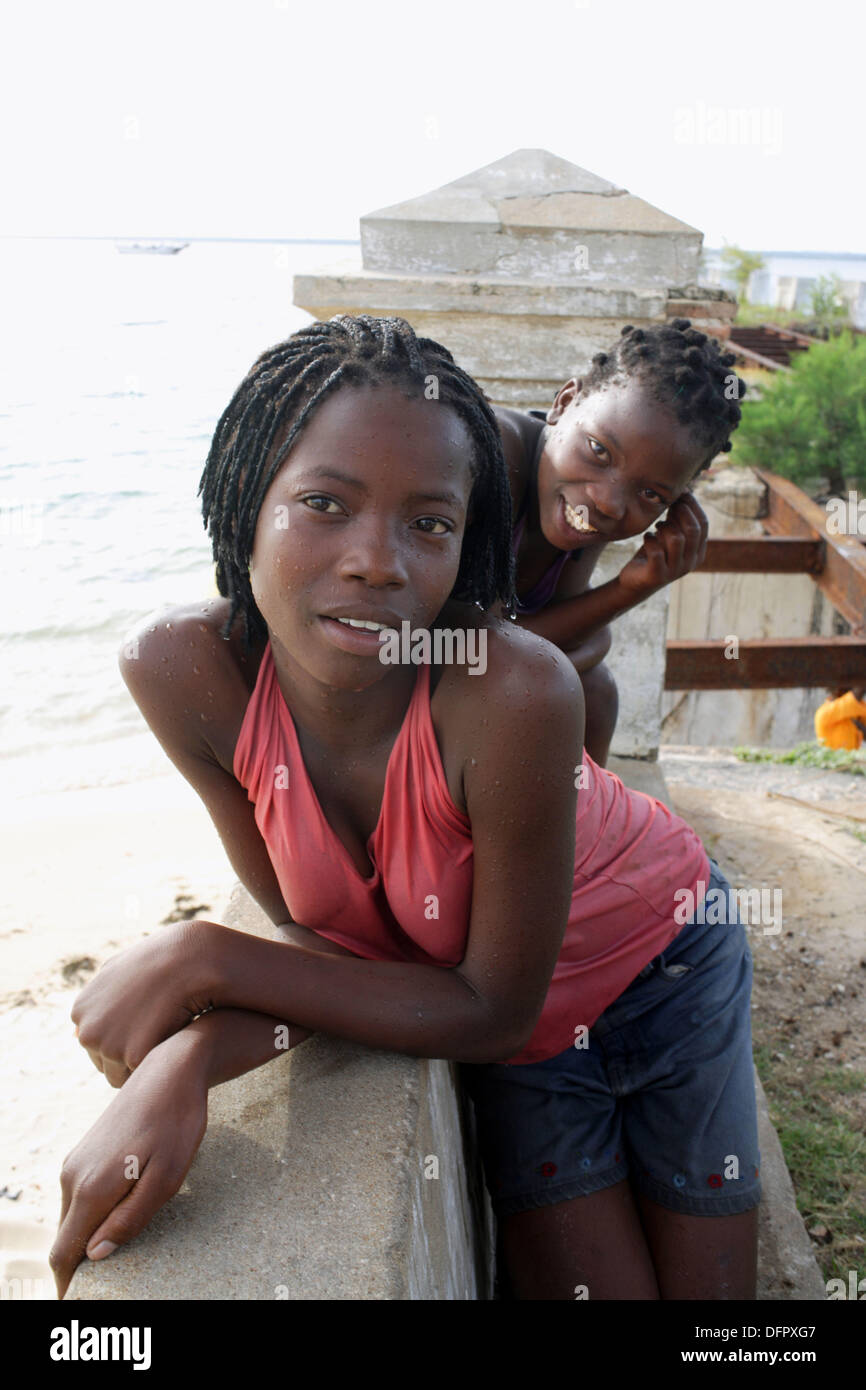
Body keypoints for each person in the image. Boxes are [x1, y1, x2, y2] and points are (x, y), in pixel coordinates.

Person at [50, 316, 760, 1302]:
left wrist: (201, 958)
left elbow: (486, 1005)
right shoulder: (181, 672)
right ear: (244, 500)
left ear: (465, 546)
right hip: (521, 1029)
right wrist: (196, 1052)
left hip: (665, 957)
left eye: (428, 523)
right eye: (323, 503)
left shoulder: (510, 692)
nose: (376, 561)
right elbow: (322, 939)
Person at [496, 319, 746, 763]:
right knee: (567, 680)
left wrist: (628, 595)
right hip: (385, 673)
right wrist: (624, 593)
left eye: (651, 494)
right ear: (565, 402)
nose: (609, 501)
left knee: (596, 692)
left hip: (468, 672)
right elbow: (478, 650)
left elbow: (541, 640)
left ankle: (582, 827)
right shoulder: (495, 458)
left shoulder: (583, 510)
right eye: (598, 451)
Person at [814, 686, 866, 750]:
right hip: (833, 759)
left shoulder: (852, 711)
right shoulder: (825, 712)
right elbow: (857, 694)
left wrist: (859, 726)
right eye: (850, 690)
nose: (851, 692)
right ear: (838, 691)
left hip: (850, 758)